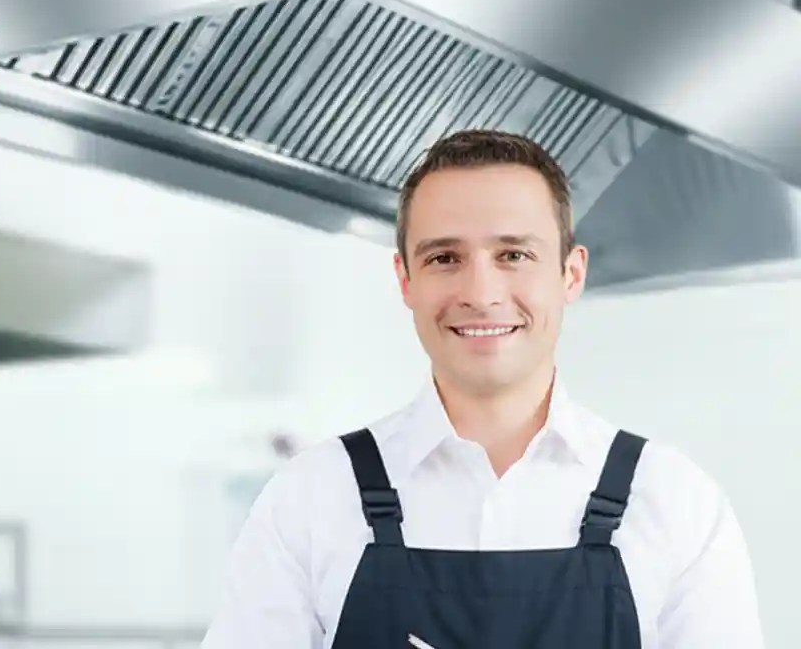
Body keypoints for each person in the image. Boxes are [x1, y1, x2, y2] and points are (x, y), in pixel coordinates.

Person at [200, 130, 763, 648]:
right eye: (445, 258)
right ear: (405, 280)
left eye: (513, 255)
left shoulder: (675, 501)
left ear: (570, 274)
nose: (481, 292)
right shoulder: (310, 498)